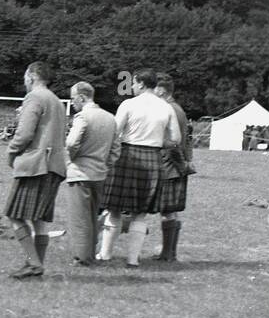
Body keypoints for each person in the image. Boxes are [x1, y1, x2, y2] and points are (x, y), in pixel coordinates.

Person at [98, 69, 180, 267]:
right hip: (153, 158)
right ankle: (133, 260)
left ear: (141, 84)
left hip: (127, 156)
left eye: (133, 83)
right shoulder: (166, 107)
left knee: (114, 210)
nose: (132, 87)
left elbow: (114, 132)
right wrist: (158, 143)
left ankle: (105, 255)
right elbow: (176, 139)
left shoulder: (128, 104)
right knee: (140, 214)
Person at [3, 62, 68, 279]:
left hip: (37, 165)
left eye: (24, 76)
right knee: (39, 221)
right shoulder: (57, 101)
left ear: (31, 76)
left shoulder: (35, 97)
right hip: (55, 166)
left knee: (15, 216)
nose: (24, 81)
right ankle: (36, 265)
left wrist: (12, 152)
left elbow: (24, 134)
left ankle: (34, 264)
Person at [64, 82, 116, 266]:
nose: (72, 102)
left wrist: (72, 159)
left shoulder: (82, 117)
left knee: (79, 217)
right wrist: (105, 164)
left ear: (81, 97)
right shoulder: (110, 118)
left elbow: (71, 143)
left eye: (73, 98)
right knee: (93, 216)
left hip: (80, 173)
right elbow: (116, 149)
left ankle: (82, 257)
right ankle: (90, 253)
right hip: (100, 174)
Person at [152, 73, 193, 262]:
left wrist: (181, 165)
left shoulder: (171, 110)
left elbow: (174, 143)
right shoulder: (175, 108)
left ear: (161, 90)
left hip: (170, 166)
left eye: (154, 88)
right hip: (175, 165)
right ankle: (169, 253)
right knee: (169, 210)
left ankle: (168, 254)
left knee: (168, 210)